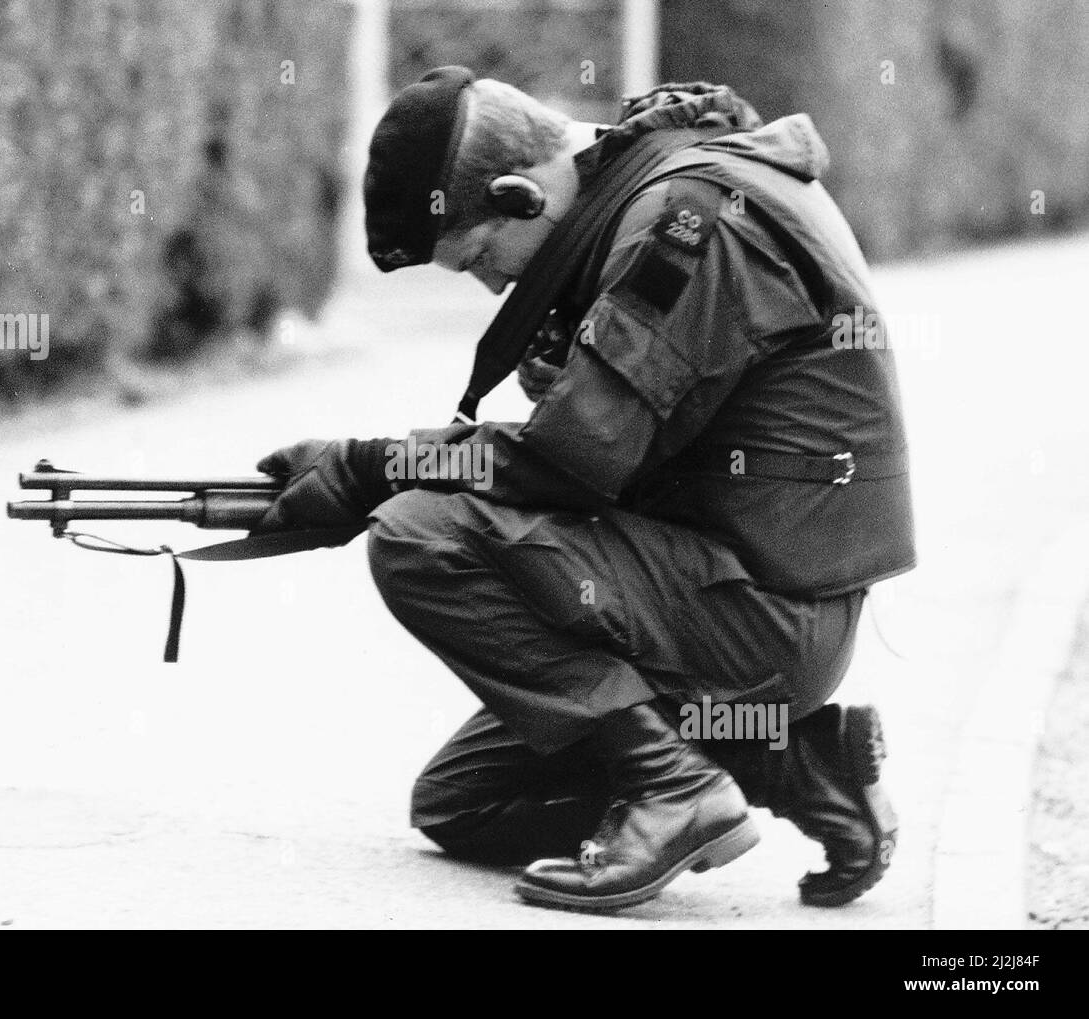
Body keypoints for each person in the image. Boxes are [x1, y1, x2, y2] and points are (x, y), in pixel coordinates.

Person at [253, 68, 913, 913]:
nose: (492, 286)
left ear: (520, 195)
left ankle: (675, 787)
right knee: (463, 805)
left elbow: (571, 463)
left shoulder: (688, 222)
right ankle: (799, 761)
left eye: (481, 257)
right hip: (726, 581)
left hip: (767, 613)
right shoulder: (649, 183)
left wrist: (371, 466)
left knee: (418, 535)